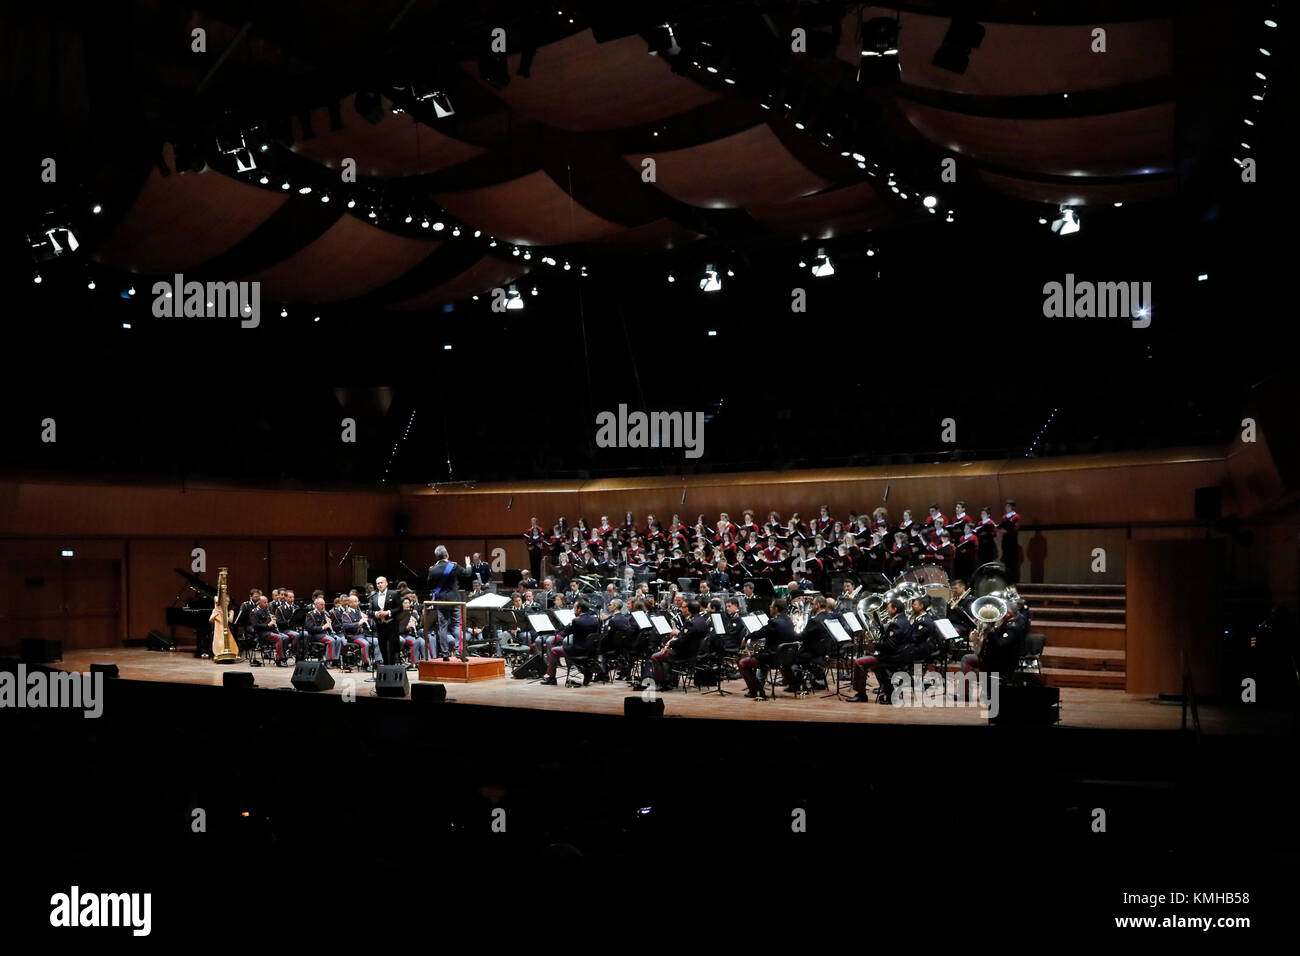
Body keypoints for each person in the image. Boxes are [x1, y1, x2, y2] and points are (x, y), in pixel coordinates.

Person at [846, 599, 916, 703]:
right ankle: (887, 690)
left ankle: (861, 695)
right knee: (872, 662)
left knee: (859, 662)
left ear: (894, 609)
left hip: (892, 658)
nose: (887, 611)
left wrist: (874, 645)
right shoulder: (905, 620)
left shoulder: (896, 624)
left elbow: (890, 646)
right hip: (901, 656)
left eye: (888, 608)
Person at [738, 598, 795, 700]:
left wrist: (746, 637)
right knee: (760, 654)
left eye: (771, 606)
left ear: (776, 608)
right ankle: (759, 684)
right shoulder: (788, 620)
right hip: (785, 657)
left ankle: (757, 691)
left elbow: (760, 633)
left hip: (773, 658)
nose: (770, 608)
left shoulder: (774, 622)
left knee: (742, 663)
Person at [540, 600, 602, 686]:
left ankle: (552, 678)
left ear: (579, 609)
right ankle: (585, 670)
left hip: (579, 651)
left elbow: (566, 632)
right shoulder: (597, 620)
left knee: (554, 650)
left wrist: (565, 628)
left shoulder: (577, 621)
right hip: (592, 651)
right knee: (567, 645)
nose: (574, 611)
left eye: (575, 608)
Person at [427, 546, 474, 660]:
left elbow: (429, 584)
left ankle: (445, 653)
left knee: (443, 627)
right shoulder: (453, 566)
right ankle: (458, 651)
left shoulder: (432, 569)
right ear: (447, 554)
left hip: (441, 601)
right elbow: (467, 573)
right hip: (454, 600)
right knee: (456, 625)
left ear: (437, 556)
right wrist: (468, 564)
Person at [650, 599, 709, 689]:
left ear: (688, 609)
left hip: (683, 654)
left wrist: (670, 644)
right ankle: (668, 680)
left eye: (683, 607)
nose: (681, 609)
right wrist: (677, 635)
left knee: (655, 656)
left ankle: (660, 683)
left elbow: (682, 641)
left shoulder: (691, 623)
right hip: (695, 652)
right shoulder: (701, 620)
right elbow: (687, 637)